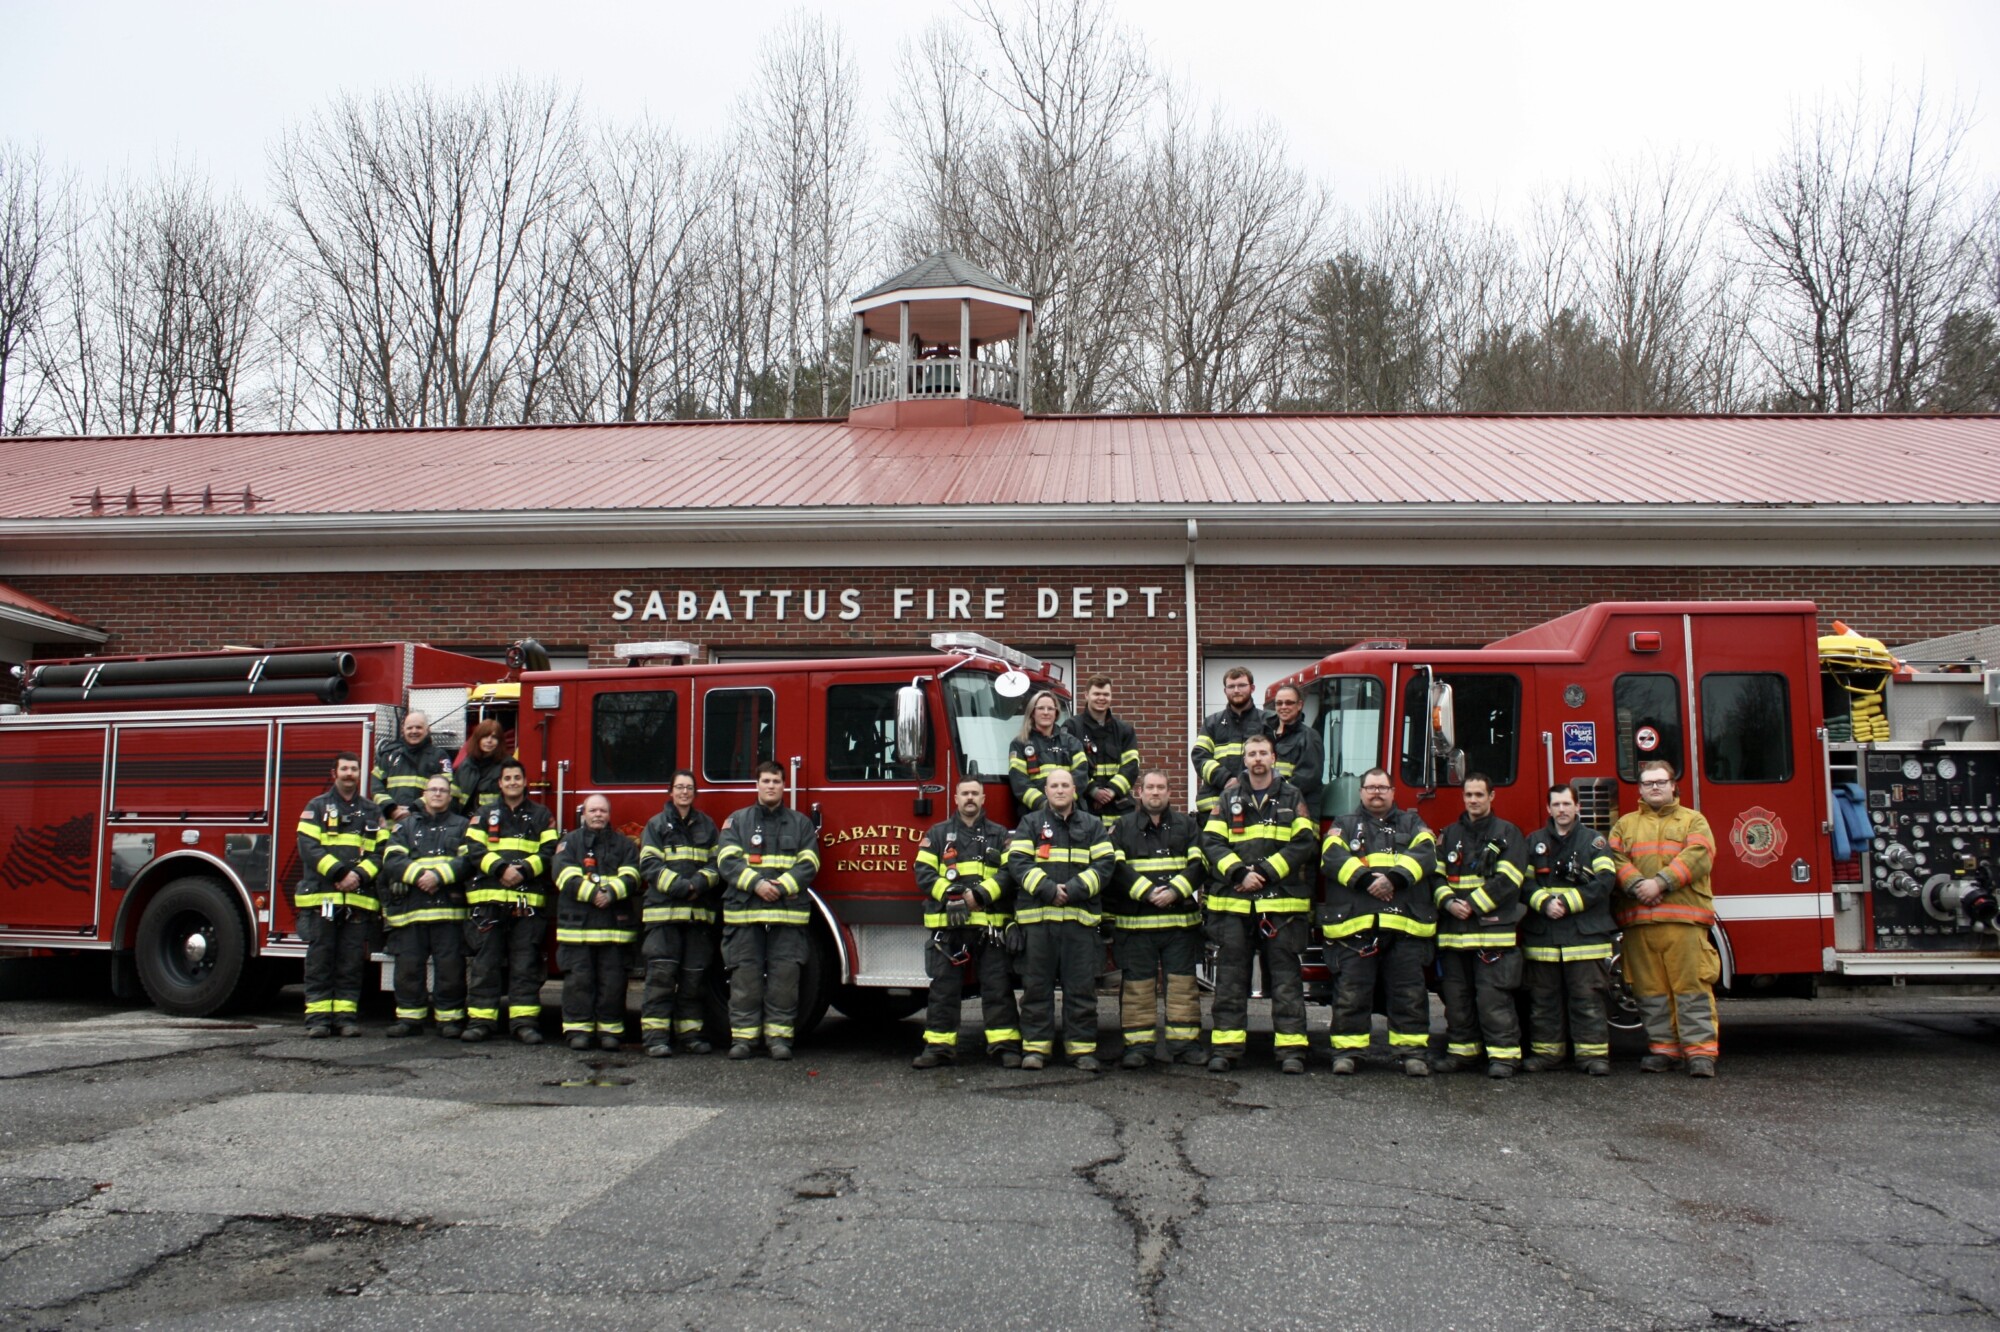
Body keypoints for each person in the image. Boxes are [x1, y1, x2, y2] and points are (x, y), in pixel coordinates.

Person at [1199, 733, 1317, 1074]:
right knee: (1231, 978)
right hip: (1235, 904)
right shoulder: (1228, 796)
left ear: (1273, 757)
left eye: (1263, 753)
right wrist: (1238, 873)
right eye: (1251, 754)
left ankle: (1291, 1050)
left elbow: (1304, 842)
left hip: (1280, 905)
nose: (1257, 759)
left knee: (1285, 979)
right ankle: (1226, 1047)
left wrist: (1263, 872)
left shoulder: (1292, 796)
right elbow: (1211, 840)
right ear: (1245, 759)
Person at [1321, 768, 1439, 1076]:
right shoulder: (1343, 825)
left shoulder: (1413, 823)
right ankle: (1347, 1052)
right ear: (1360, 792)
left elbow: (1427, 853)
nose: (1376, 792)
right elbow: (1331, 857)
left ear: (1392, 792)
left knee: (1409, 994)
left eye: (1382, 788)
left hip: (1404, 928)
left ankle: (1412, 1053)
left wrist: (1394, 880)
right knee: (1351, 993)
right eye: (1370, 787)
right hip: (1357, 928)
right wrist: (1364, 881)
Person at [1610, 760, 1720, 1077]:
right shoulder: (1624, 825)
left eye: (1661, 781)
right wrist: (1636, 885)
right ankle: (1663, 1049)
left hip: (1683, 923)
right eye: (1648, 783)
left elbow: (1699, 857)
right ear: (1640, 789)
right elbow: (1614, 859)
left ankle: (1700, 1053)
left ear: (1673, 785)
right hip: (1639, 923)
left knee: (1691, 988)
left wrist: (1659, 883)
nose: (1655, 787)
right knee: (1649, 991)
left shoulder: (1693, 821)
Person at [1006, 767, 1114, 1071]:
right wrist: (1048, 889)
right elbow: (1017, 862)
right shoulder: (1030, 823)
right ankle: (1035, 1050)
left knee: (1080, 989)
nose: (1060, 790)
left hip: (1079, 923)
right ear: (1046, 791)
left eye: (1065, 785)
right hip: (1038, 925)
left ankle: (1081, 1051)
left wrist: (1076, 889)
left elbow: (1105, 864)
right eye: (1054, 785)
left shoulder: (1093, 825)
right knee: (1036, 988)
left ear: (1075, 790)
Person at [911, 776, 1022, 1068]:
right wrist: (951, 895)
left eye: (975, 793)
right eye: (965, 794)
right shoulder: (936, 834)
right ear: (956, 799)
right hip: (949, 929)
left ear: (983, 799)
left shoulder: (1001, 835)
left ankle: (1005, 1045)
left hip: (989, 929)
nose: (970, 798)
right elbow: (922, 872)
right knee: (944, 990)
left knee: (997, 988)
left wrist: (980, 896)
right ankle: (938, 1048)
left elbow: (1011, 873)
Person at [716, 761, 821, 1060]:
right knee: (745, 978)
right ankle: (743, 1040)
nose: (771, 786)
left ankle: (779, 1039)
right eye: (765, 780)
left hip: (787, 915)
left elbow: (810, 862)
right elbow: (726, 859)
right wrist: (757, 885)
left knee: (784, 980)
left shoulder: (801, 824)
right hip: (746, 914)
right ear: (757, 785)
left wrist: (783, 886)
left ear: (784, 785)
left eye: (776, 781)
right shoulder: (736, 822)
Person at [1431, 773, 1528, 1078]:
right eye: (1469, 795)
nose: (1473, 800)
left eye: (1479, 795)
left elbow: (1510, 879)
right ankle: (1463, 1051)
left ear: (1491, 797)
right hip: (1454, 935)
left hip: (1492, 932)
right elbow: (1434, 876)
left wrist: (1471, 904)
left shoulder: (1508, 834)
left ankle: (1504, 1056)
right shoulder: (1447, 835)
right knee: (1456, 999)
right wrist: (1448, 902)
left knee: (1493, 998)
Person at [1108, 769, 1206, 1068]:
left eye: (1161, 787)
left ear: (1168, 792)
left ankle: (1185, 1045)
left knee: (1183, 988)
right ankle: (1138, 1047)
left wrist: (1176, 890)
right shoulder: (1122, 827)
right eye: (1149, 787)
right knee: (1138, 988)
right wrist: (1147, 891)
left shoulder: (1187, 825)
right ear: (1140, 792)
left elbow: (1200, 863)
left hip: (1179, 924)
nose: (1155, 792)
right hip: (1137, 925)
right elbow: (1115, 866)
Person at [1521, 784, 1617, 1077]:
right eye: (1556, 805)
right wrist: (1545, 903)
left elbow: (1606, 881)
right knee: (1543, 1000)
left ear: (1577, 807)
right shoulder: (1533, 842)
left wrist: (1567, 901)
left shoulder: (1594, 842)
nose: (1561, 810)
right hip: (1545, 938)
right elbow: (1523, 884)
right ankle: (1548, 1054)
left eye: (1566, 804)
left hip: (1583, 937)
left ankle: (1593, 1057)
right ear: (1548, 809)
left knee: (1587, 998)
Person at [462, 758, 558, 1044]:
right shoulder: (483, 814)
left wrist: (523, 871)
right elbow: (473, 848)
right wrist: (501, 869)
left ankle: (524, 1023)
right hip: (489, 904)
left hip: (526, 904)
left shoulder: (542, 815)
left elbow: (551, 850)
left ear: (525, 782)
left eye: (518, 778)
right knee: (485, 966)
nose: (513, 782)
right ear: (500, 783)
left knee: (525, 965)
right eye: (508, 779)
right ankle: (481, 1022)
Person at [294, 751, 384, 1037]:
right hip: (323, 899)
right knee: (320, 959)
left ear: (360, 774)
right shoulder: (316, 807)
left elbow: (381, 852)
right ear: (334, 773)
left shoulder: (372, 812)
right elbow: (308, 848)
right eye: (344, 769)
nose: (349, 774)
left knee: (350, 962)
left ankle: (346, 1017)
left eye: (354, 769)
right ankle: (318, 1019)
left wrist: (359, 875)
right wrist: (340, 874)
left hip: (356, 902)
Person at [375, 773, 470, 1038]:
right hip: (412, 911)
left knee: (450, 968)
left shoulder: (462, 826)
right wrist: (420, 877)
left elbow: (468, 861)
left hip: (448, 912)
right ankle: (409, 1018)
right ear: (424, 795)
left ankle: (449, 1019)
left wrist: (438, 877)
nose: (438, 794)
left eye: (443, 790)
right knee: (409, 968)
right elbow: (392, 860)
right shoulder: (405, 827)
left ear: (450, 797)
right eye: (433, 790)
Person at [638, 770, 721, 1057]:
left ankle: (691, 1035)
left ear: (694, 793)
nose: (684, 792)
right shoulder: (656, 824)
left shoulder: (707, 826)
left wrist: (699, 883)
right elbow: (648, 864)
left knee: (693, 979)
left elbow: (717, 863)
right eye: (679, 787)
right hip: (664, 917)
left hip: (697, 917)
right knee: (661, 978)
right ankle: (655, 1038)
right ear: (670, 791)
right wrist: (680, 887)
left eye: (689, 788)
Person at [554, 794, 642, 1050]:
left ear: (609, 814)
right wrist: (594, 894)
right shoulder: (569, 843)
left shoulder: (624, 845)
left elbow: (633, 875)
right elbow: (562, 874)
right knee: (579, 981)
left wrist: (611, 894)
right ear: (584, 814)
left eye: (603, 811)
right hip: (578, 929)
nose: (598, 815)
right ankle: (578, 1030)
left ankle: (610, 1030)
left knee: (612, 981)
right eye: (593, 810)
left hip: (614, 928)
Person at [1191, 666, 1265, 815]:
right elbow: (1200, 756)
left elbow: (1271, 759)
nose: (1236, 690)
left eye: (1241, 685)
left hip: (1255, 806)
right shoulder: (1212, 722)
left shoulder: (1267, 721)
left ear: (1252, 688)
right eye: (1231, 686)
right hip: (1214, 807)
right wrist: (1225, 779)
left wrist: (1242, 781)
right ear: (1225, 691)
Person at [1067, 674, 1140, 816]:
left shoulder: (1124, 730)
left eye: (1106, 694)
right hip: (1084, 808)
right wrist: (1093, 790)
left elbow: (1131, 765)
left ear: (1111, 697)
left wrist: (1112, 790)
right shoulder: (1072, 728)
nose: (1101, 698)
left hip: (1119, 809)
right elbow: (1068, 765)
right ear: (1086, 695)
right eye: (1097, 694)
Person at [1009, 690, 1087, 813]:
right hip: (1035, 814)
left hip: (1070, 813)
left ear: (1056, 713)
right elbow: (1020, 783)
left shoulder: (1072, 743)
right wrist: (1044, 804)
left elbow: (1081, 777)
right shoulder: (1019, 744)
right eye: (1040, 708)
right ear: (1032, 713)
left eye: (1050, 708)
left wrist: (1064, 803)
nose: (1046, 712)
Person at [373, 710, 452, 821]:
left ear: (427, 730)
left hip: (424, 822)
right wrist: (392, 809)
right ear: (403, 730)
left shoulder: (439, 756)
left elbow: (446, 788)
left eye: (418, 727)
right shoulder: (389, 755)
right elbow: (376, 788)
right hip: (393, 824)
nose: (414, 731)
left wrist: (413, 809)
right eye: (409, 728)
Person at [1264, 684, 1324, 817]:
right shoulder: (1266, 735)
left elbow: (1306, 779)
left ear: (1299, 705)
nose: (1283, 707)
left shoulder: (1309, 736)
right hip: (1273, 812)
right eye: (1279, 703)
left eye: (1289, 703)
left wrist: (1268, 794)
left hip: (1298, 814)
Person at [452, 719, 507, 815]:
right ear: (477, 739)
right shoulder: (466, 765)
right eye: (485, 736)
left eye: (494, 737)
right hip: (465, 820)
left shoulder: (507, 765)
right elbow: (453, 797)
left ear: (500, 741)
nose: (489, 741)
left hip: (493, 820)